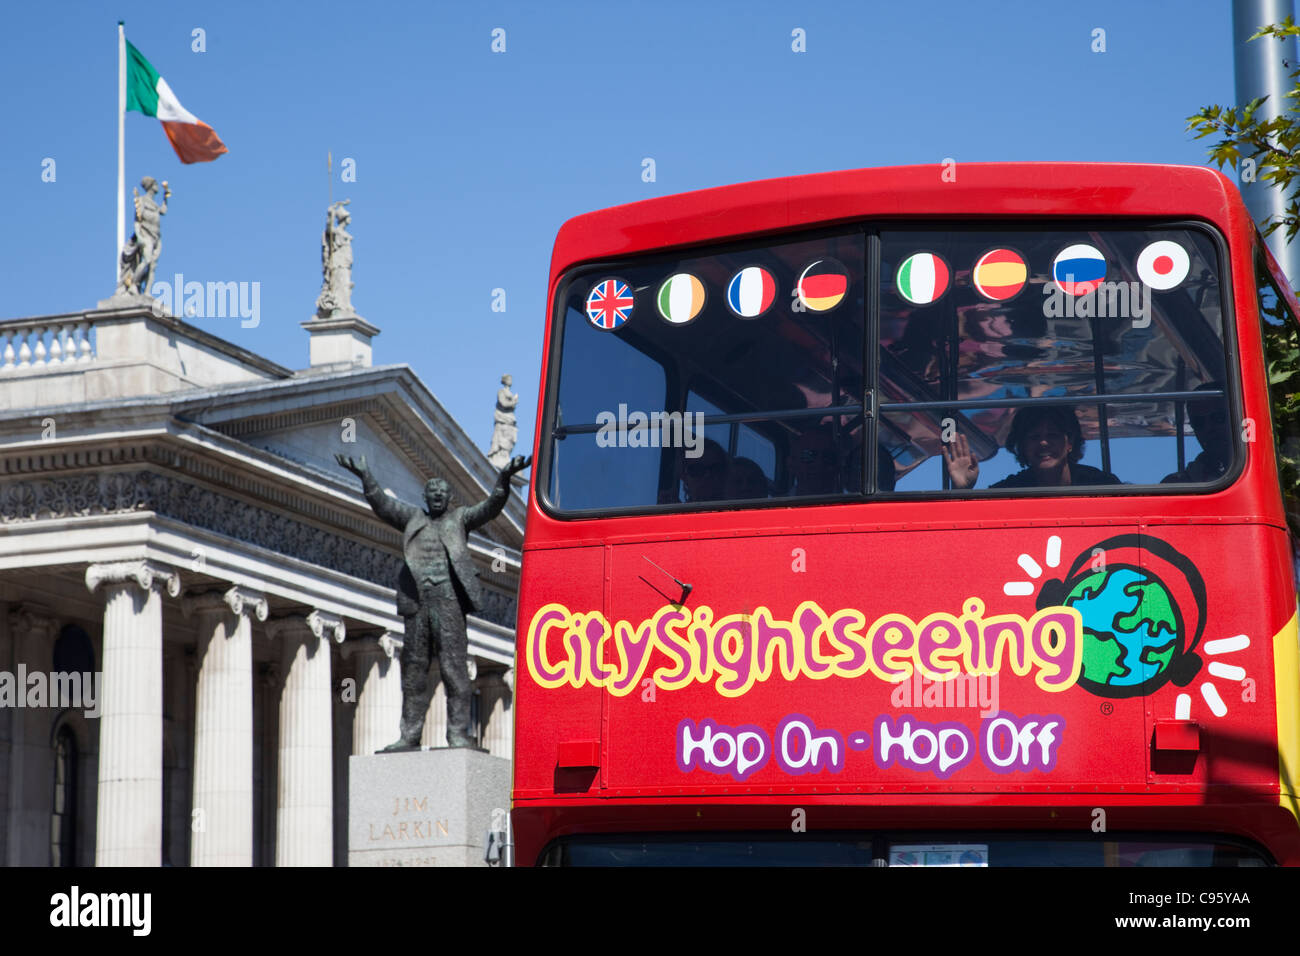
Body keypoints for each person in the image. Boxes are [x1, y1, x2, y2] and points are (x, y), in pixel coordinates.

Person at [336, 452, 531, 750]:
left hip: (449, 601)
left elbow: (491, 507)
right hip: (418, 602)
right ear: (425, 497)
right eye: (433, 493)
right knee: (414, 670)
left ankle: (456, 733)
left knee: (454, 669)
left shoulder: (460, 519)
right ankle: (410, 734)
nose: (438, 496)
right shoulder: (413, 518)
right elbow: (384, 506)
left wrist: (504, 479)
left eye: (443, 493)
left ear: (450, 497)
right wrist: (366, 476)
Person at [943, 405, 1121, 489]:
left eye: (1052, 435)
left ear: (1070, 443)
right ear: (1022, 447)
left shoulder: (1102, 484)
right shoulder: (1006, 492)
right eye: (1034, 437)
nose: (1043, 443)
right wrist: (963, 489)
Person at [1162, 383, 1232, 483]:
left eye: (1218, 418)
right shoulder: (1178, 486)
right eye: (1198, 423)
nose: (1208, 428)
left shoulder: (1259, 471)